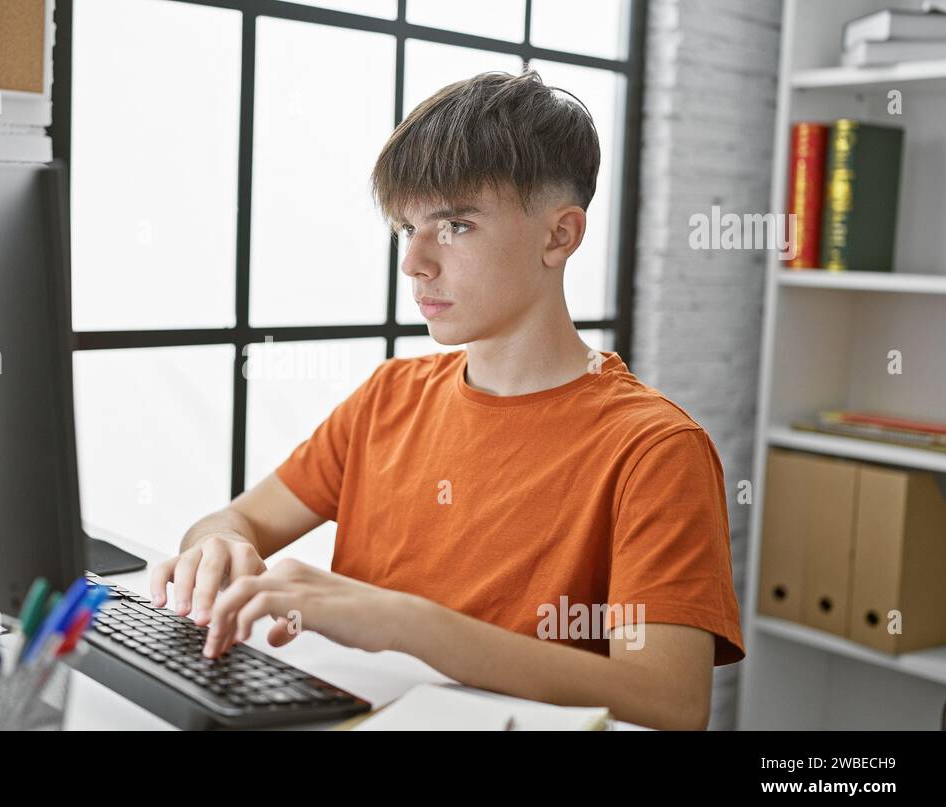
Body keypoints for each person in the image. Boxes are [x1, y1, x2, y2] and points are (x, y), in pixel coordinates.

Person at [150, 70, 744, 731]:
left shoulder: (655, 450)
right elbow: (235, 521)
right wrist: (219, 544)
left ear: (560, 236)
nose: (415, 262)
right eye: (408, 227)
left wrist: (408, 621)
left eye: (456, 224)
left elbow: (670, 701)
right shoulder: (389, 397)